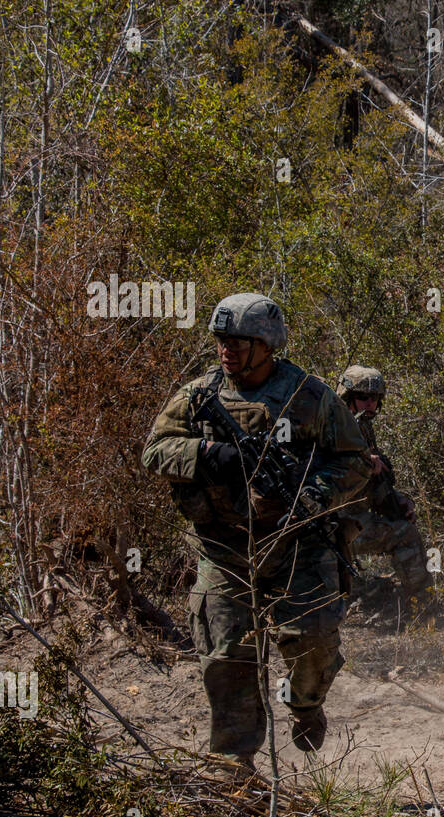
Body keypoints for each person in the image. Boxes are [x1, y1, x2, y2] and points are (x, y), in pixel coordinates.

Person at [142, 293, 371, 767]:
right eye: (223, 340)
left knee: (312, 641)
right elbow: (155, 451)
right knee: (226, 659)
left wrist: (312, 496)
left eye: (240, 341)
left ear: (267, 345)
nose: (228, 350)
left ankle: (306, 705)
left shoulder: (308, 395)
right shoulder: (198, 396)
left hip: (297, 545)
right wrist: (208, 457)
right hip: (224, 548)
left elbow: (352, 460)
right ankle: (233, 767)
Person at [335, 365, 435, 607]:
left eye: (374, 398)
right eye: (362, 397)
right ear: (348, 397)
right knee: (404, 534)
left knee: (403, 520)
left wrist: (398, 498)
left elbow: (373, 484)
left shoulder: (361, 427)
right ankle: (422, 606)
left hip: (351, 519)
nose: (369, 403)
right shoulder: (333, 428)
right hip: (334, 524)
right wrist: (361, 465)